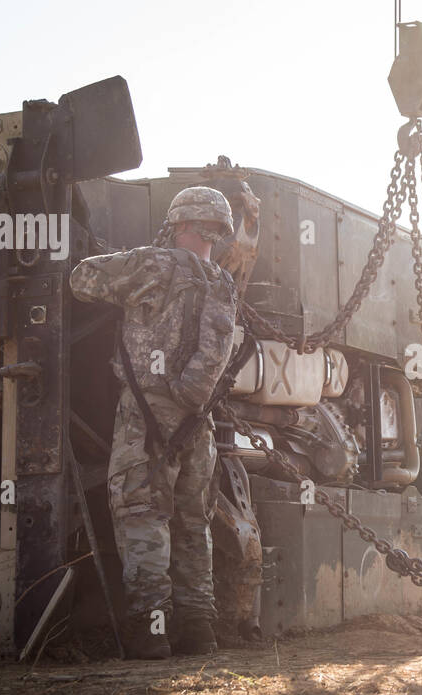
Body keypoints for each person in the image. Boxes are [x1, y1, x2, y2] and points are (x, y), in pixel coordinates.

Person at [70, 186, 239, 659]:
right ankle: (199, 631)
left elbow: (81, 281)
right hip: (197, 424)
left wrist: (117, 259)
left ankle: (151, 633)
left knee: (142, 515)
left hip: (146, 415)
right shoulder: (225, 284)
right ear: (217, 231)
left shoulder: (151, 263)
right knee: (192, 525)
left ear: (180, 223)